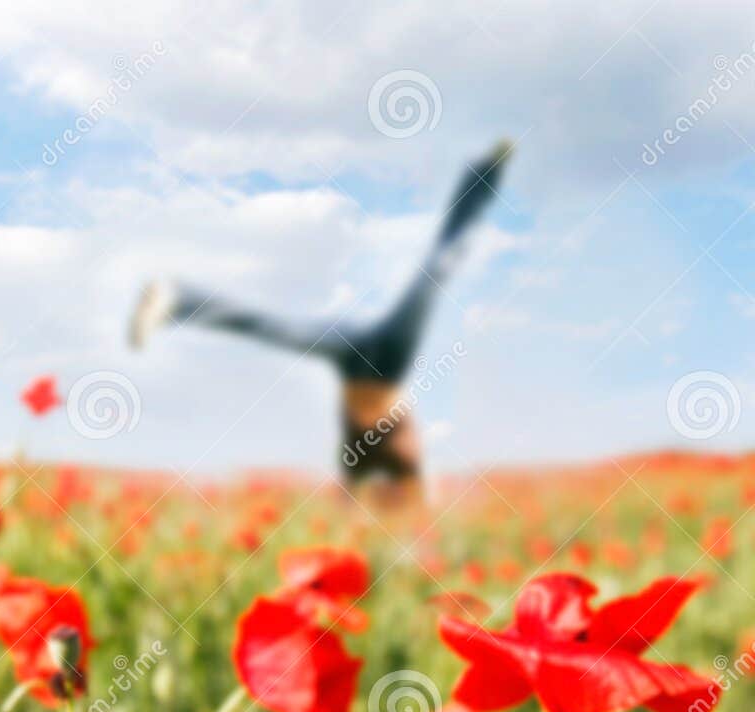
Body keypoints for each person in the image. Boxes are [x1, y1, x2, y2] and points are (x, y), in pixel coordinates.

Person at [130, 140, 513, 505]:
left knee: (274, 328)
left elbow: (361, 498)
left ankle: (175, 301)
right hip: (387, 358)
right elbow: (409, 482)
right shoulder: (391, 461)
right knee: (433, 272)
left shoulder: (358, 460)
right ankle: (485, 174)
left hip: (355, 358)